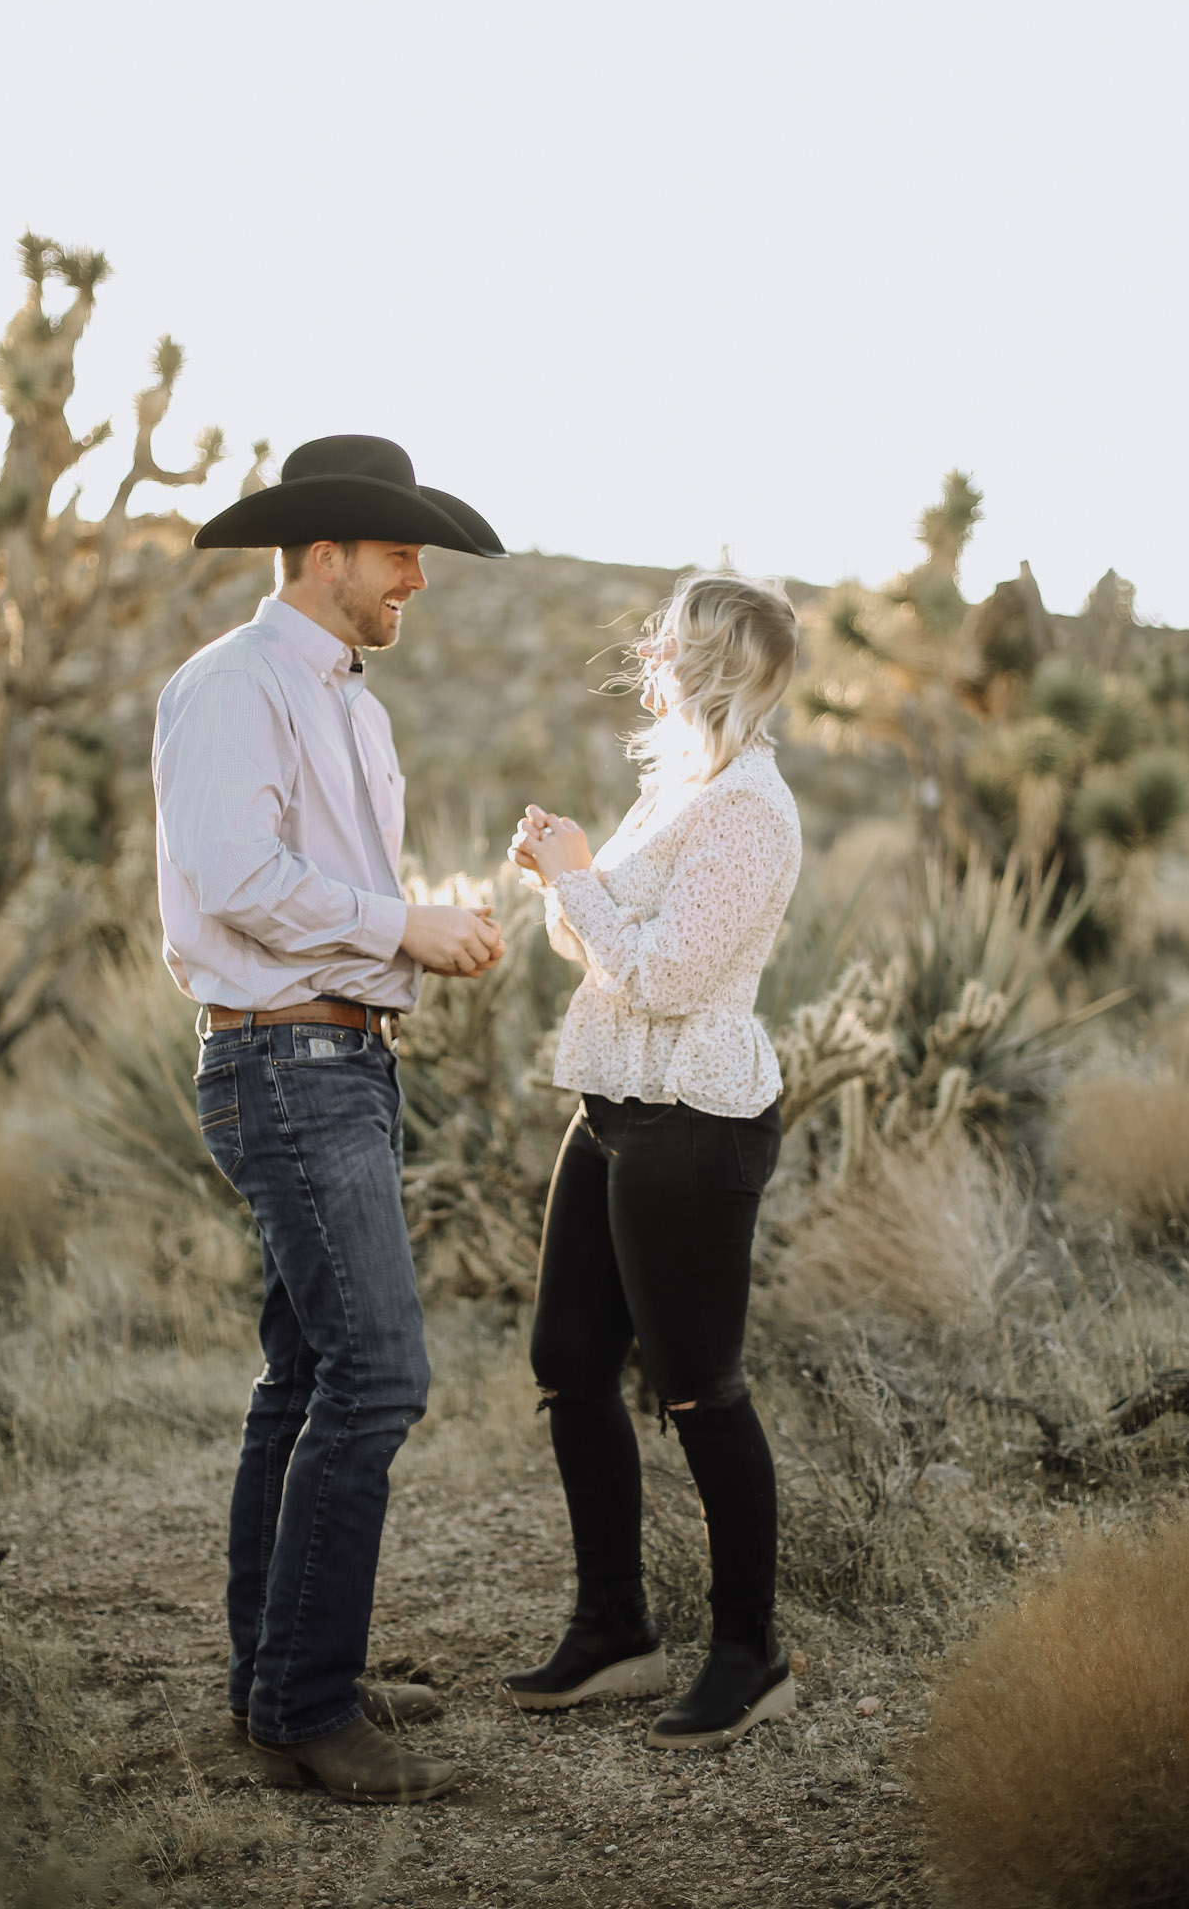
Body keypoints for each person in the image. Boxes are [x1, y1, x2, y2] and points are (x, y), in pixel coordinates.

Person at [152, 435, 507, 1804]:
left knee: (303, 1381)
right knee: (377, 1376)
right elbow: (240, 876)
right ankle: (307, 1700)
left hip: (344, 1060)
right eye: (398, 548)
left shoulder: (354, 702)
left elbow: (327, 894)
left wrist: (424, 937)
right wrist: (401, 926)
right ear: (323, 553)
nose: (417, 574)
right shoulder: (232, 684)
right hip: (284, 1066)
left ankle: (284, 1671)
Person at [503, 569, 802, 1750]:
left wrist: (577, 873)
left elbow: (670, 978)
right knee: (569, 1359)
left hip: (697, 1114)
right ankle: (615, 1629)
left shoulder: (751, 809)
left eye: (671, 639)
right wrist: (563, 874)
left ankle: (751, 1652)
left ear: (714, 663)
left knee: (696, 1385)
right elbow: (590, 943)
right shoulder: (675, 787)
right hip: (617, 1098)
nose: (652, 652)